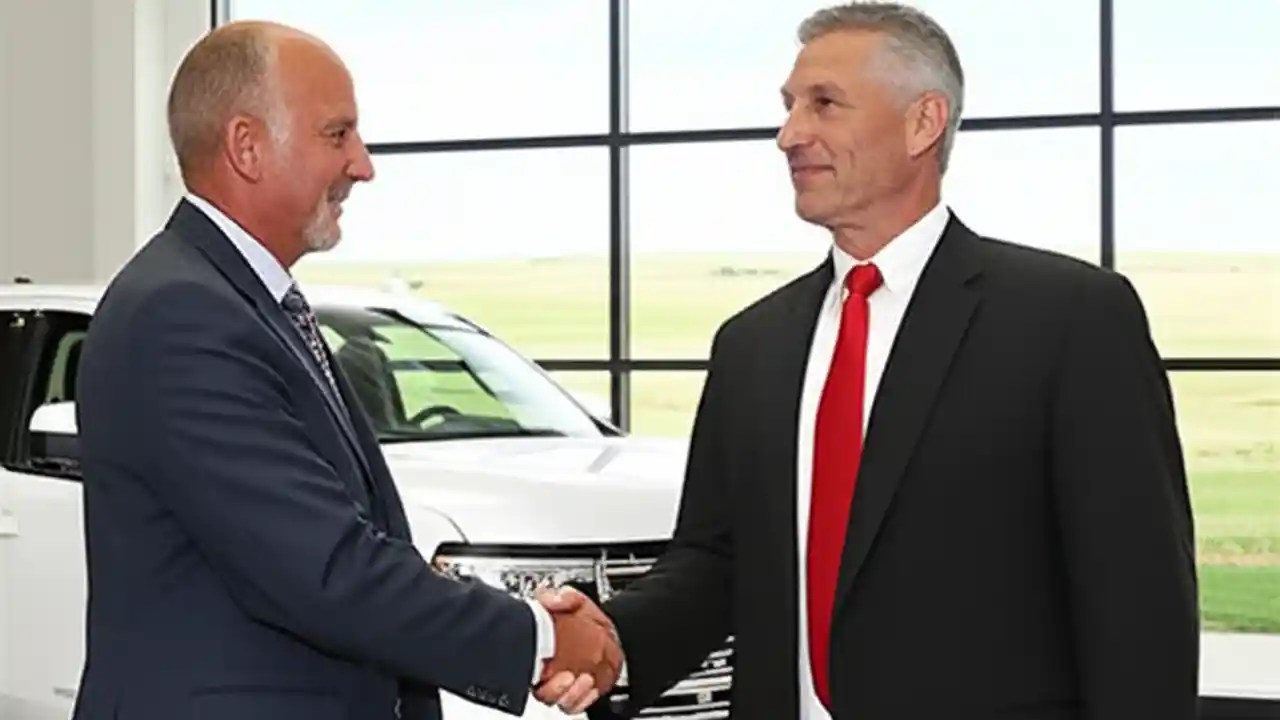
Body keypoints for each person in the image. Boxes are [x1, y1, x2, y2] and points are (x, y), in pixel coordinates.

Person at [541, 2, 1200, 718]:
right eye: (789, 107)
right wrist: (609, 637)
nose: (790, 134)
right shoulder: (752, 344)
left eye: (825, 104)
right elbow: (716, 559)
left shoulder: (1070, 320)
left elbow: (1140, 605)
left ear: (924, 121)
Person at [72, 20, 618, 720]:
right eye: (338, 135)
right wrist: (539, 638)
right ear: (247, 146)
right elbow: (322, 569)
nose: (363, 164)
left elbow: (350, 541)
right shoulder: (182, 314)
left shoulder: (247, 302)